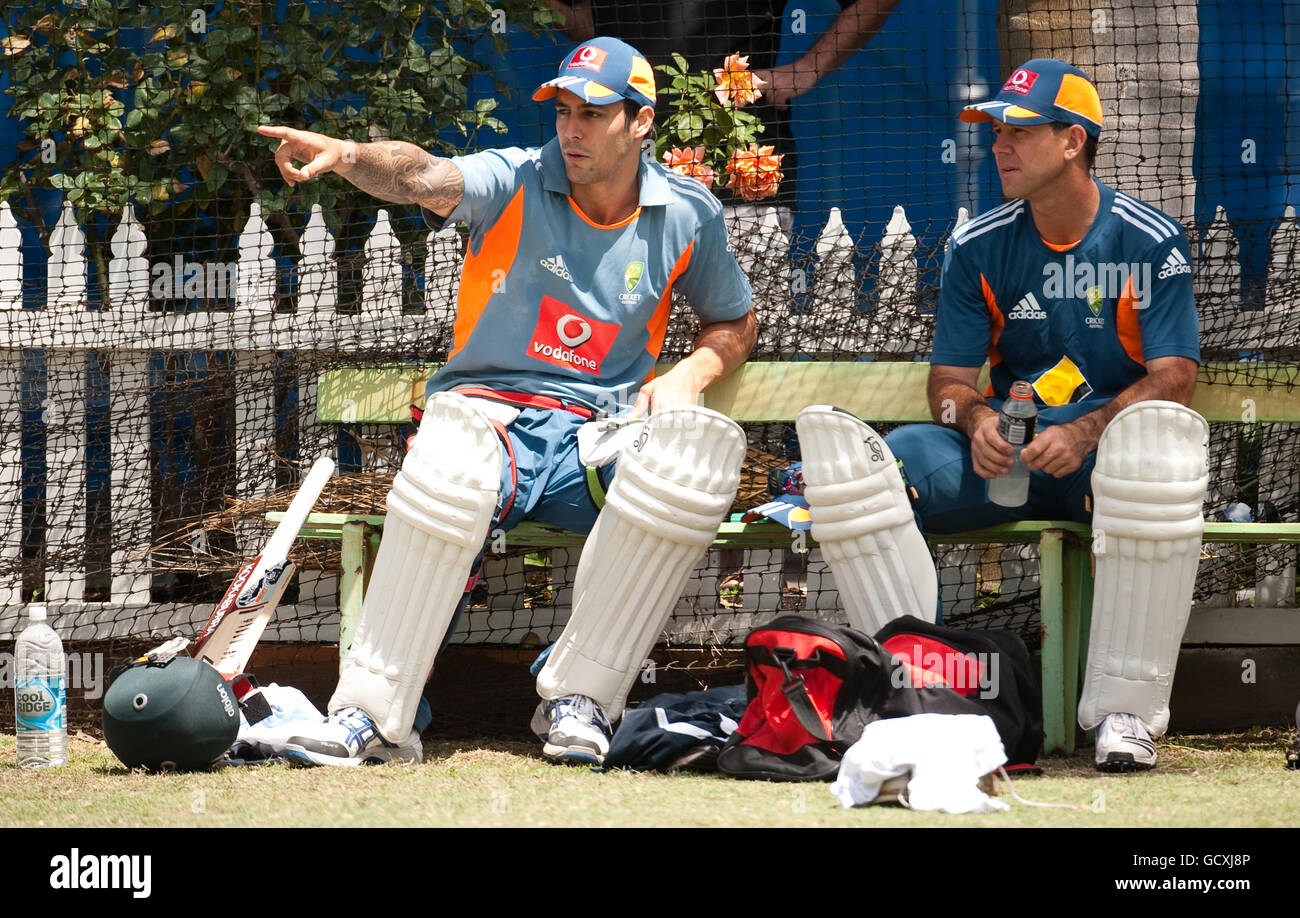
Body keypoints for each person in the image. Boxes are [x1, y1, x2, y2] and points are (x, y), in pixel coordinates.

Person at [257, 36, 757, 766]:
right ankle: (372, 717)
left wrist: (691, 374)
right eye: (563, 109)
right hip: (486, 422)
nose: (572, 127)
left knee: (689, 461)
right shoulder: (516, 176)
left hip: (596, 439)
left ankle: (580, 700)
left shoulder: (686, 213)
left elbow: (735, 320)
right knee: (451, 460)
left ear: (641, 121)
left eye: (593, 112)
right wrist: (352, 155)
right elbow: (424, 175)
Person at [794, 60, 1207, 772]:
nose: (999, 146)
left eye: (1018, 129)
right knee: (875, 470)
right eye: (994, 131)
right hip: (1010, 462)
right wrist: (976, 420)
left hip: (1105, 465)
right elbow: (949, 383)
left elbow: (1176, 377)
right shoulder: (978, 245)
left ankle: (1124, 714)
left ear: (1073, 141)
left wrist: (1086, 430)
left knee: (1153, 459)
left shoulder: (1149, 241)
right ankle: (907, 699)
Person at [548, 0, 901, 228]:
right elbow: (586, 21)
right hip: (617, 179)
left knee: (744, 334)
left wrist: (808, 68)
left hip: (740, 179)